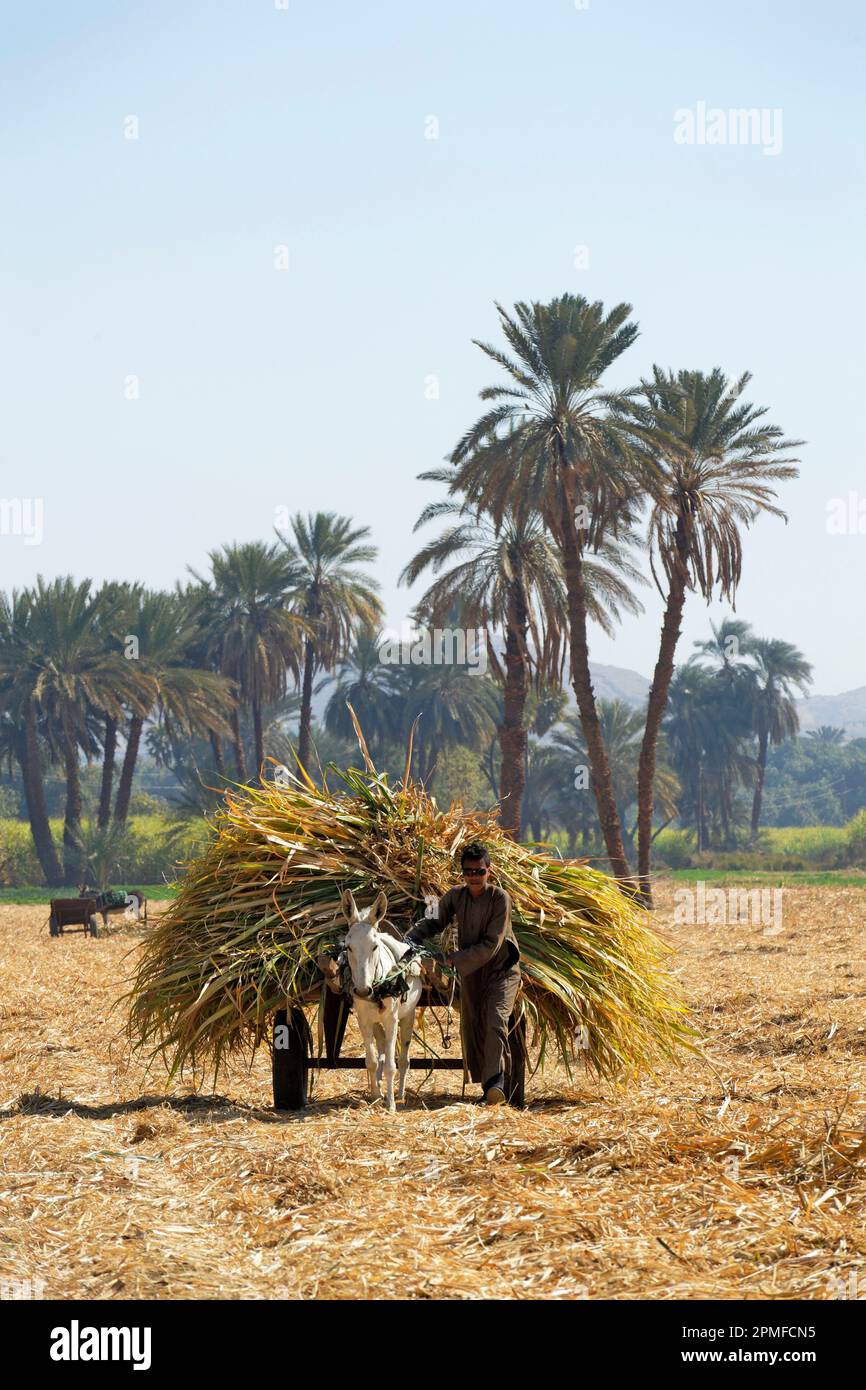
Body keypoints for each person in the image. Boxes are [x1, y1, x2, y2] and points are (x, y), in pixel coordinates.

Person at [406, 841, 521, 1106]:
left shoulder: (500, 898)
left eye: (479, 871)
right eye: (469, 872)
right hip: (472, 973)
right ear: (463, 873)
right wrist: (410, 938)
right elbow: (433, 919)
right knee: (472, 1026)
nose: (474, 877)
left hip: (501, 970)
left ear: (489, 871)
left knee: (494, 1021)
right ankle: (487, 1087)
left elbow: (492, 945)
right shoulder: (455, 896)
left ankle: (496, 1084)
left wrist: (447, 959)